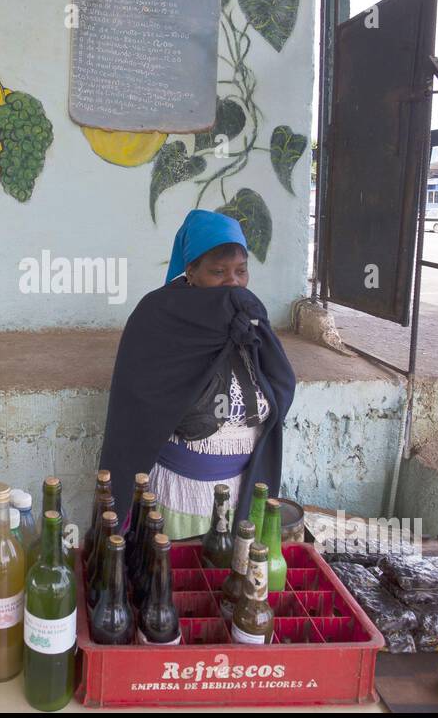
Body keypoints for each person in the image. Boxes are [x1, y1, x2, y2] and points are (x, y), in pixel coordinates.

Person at [98, 210, 297, 540]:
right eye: (218, 272)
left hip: (239, 496)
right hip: (177, 499)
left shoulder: (247, 314)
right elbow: (135, 406)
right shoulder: (159, 317)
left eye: (241, 271)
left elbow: (279, 381)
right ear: (190, 271)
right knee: (170, 579)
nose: (232, 282)